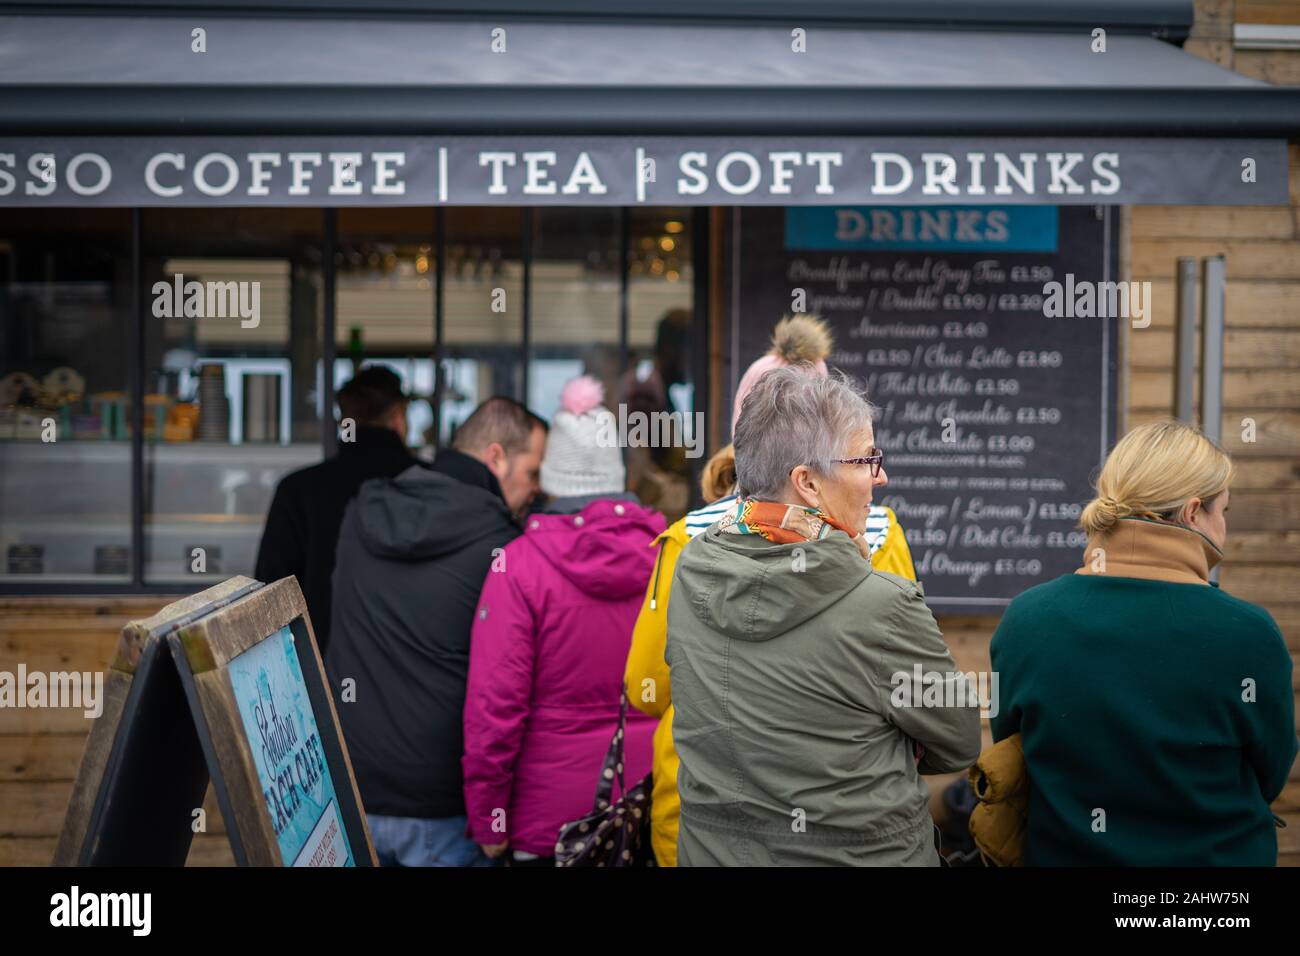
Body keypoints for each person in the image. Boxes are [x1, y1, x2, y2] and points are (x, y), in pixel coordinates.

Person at [625, 318, 916, 867]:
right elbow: (913, 689)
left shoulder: (687, 538)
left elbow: (646, 690)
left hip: (705, 816)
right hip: (852, 825)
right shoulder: (881, 535)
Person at [667, 368, 979, 866]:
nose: (881, 475)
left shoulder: (689, 569)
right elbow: (958, 742)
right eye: (865, 459)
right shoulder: (884, 605)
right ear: (807, 482)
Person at [990, 420, 1297, 866]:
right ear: (1194, 513)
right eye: (1223, 511)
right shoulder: (1248, 632)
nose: (1224, 527)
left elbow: (1015, 750)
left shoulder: (1027, 619)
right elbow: (1270, 772)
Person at [325, 396, 547, 867]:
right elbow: (507, 688)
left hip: (350, 789)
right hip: (444, 806)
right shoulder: (504, 548)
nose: (535, 490)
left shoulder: (360, 513)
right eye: (531, 472)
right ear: (495, 456)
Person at [463, 376, 663, 866]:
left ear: (549, 481)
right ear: (619, 480)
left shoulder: (516, 565)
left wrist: (490, 816)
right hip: (649, 809)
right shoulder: (670, 559)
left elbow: (495, 709)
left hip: (548, 824)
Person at [254, 365, 415, 654]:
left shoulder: (299, 489)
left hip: (321, 664)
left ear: (345, 421)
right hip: (414, 666)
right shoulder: (434, 488)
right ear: (399, 419)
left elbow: (271, 591)